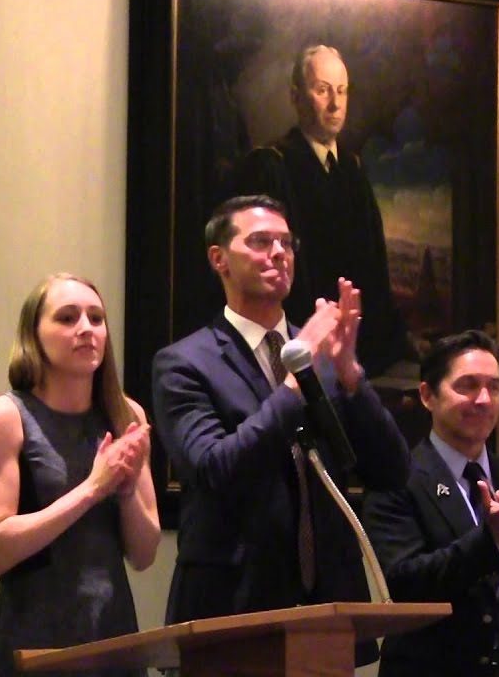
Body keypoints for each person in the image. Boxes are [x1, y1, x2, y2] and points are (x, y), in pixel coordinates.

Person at [151, 194, 409, 668]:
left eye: (286, 243)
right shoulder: (183, 364)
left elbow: (392, 471)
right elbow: (216, 468)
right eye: (260, 241)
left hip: (325, 608)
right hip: (231, 610)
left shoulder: (326, 358)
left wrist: (350, 375)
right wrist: (297, 377)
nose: (278, 253)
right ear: (219, 259)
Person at [0, 273, 160, 677]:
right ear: (34, 336)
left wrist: (124, 494)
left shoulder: (126, 414)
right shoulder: (5, 418)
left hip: (112, 633)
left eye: (96, 318)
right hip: (35, 639)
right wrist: (92, 489)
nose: (86, 329)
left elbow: (144, 554)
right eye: (67, 318)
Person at [362, 330, 499, 677]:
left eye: (493, 387)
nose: (483, 400)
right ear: (427, 396)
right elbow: (405, 585)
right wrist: (492, 539)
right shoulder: (396, 479)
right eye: (467, 385)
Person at [234, 44, 410, 377]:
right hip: (297, 352)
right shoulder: (274, 166)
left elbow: (374, 267)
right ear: (296, 97)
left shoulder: (352, 170)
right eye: (323, 90)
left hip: (356, 353)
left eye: (341, 91)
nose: (335, 103)